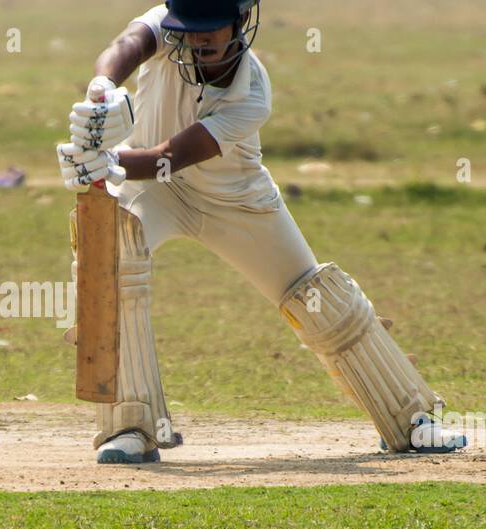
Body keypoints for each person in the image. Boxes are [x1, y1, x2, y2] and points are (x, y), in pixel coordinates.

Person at [57, 0, 465, 463]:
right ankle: (129, 427)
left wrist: (106, 163)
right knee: (110, 263)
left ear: (239, 23)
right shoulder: (169, 29)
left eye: (211, 28)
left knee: (318, 299)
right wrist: (102, 86)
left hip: (236, 201)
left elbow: (170, 157)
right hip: (156, 195)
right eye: (190, 28)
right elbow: (128, 44)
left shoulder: (252, 94)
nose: (198, 37)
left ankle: (412, 418)